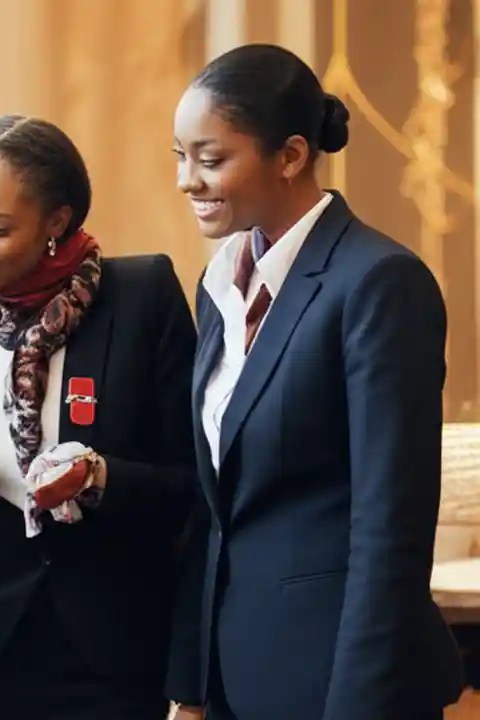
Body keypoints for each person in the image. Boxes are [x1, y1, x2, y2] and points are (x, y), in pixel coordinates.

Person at [166, 44, 464, 720]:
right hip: (236, 676)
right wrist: (191, 684)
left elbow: (390, 532)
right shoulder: (218, 285)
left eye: (210, 159)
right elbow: (213, 510)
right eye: (179, 157)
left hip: (339, 681)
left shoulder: (378, 283)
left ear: (292, 155)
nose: (188, 180)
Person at [0, 114, 197, 719]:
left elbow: (192, 482)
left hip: (115, 647)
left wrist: (100, 477)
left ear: (57, 222)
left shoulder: (142, 296)